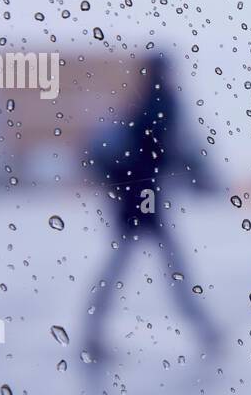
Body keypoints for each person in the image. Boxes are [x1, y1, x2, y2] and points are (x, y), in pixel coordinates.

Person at [83, 52, 220, 366]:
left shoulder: (144, 102)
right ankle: (205, 330)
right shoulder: (162, 103)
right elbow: (167, 148)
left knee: (131, 268)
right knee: (169, 269)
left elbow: (155, 149)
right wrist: (198, 173)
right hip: (143, 200)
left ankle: (92, 332)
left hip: (137, 198)